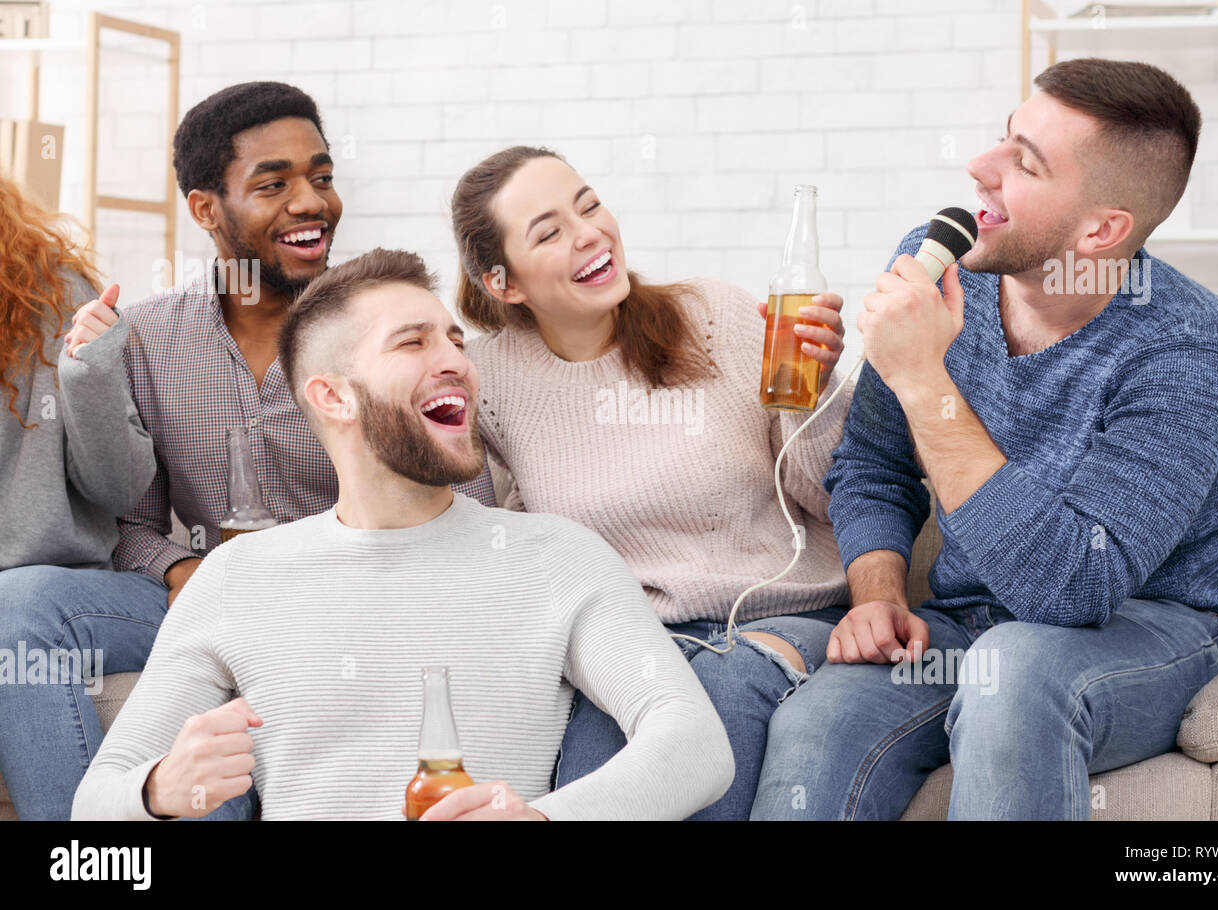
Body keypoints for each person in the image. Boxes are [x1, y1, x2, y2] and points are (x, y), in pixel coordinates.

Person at [751, 58, 1218, 821]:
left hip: (1148, 625)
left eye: (1023, 163)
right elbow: (875, 466)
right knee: (817, 720)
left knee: (1016, 670)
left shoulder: (1189, 349)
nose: (978, 168)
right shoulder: (940, 262)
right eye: (1003, 139)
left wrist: (926, 380)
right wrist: (878, 596)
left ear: (1102, 229)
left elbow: (1073, 589)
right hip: (967, 625)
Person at [71, 248, 733, 821]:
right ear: (332, 397)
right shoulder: (237, 577)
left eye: (455, 340)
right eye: (413, 343)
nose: (456, 363)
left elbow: (694, 743)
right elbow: (96, 797)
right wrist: (157, 789)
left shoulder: (558, 558)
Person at [452, 146, 854, 820]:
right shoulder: (490, 383)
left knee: (717, 701)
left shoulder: (717, 318)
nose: (589, 233)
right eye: (548, 232)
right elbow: (487, 537)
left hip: (780, 616)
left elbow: (830, 496)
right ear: (504, 284)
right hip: (629, 645)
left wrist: (815, 390)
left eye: (588, 205)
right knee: (598, 780)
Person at [0, 174, 159, 819]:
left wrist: (88, 376)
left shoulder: (52, 295)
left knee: (14, 607)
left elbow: (120, 489)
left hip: (74, 594)